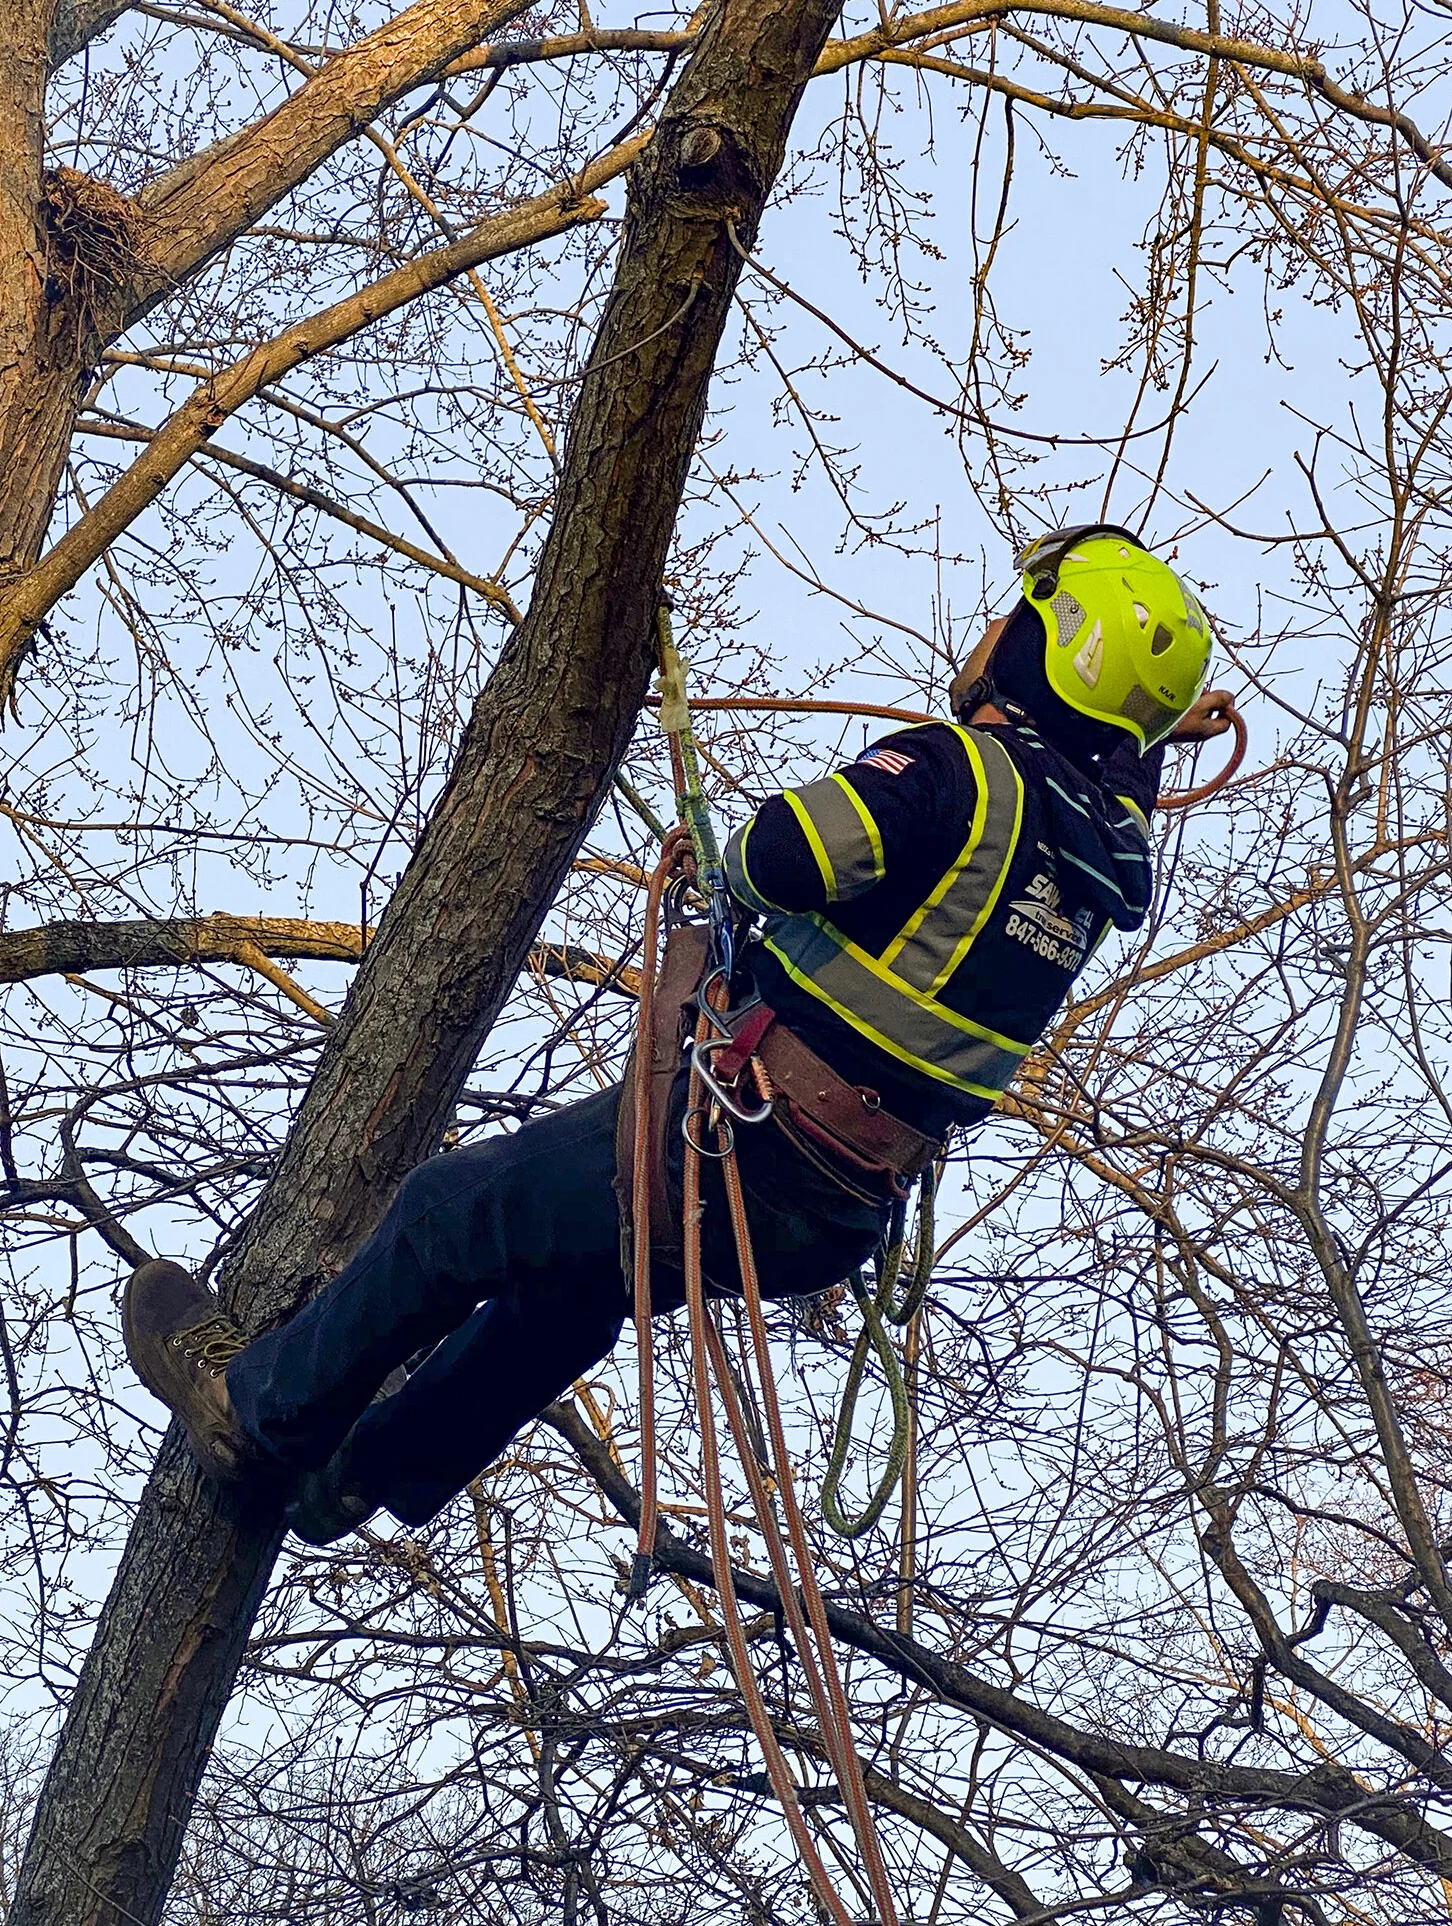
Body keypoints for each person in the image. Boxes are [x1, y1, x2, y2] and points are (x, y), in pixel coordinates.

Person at [123, 523, 1237, 1543]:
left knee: (446, 1214)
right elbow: (1098, 775)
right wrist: (1147, 729)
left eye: (1023, 615)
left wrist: (741, 842)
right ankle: (349, 1480)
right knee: (567, 1296)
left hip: (737, 1142)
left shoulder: (952, 775)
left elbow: (775, 860)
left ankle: (254, 1411)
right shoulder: (1102, 862)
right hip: (834, 1210)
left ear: (1057, 642)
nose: (996, 629)